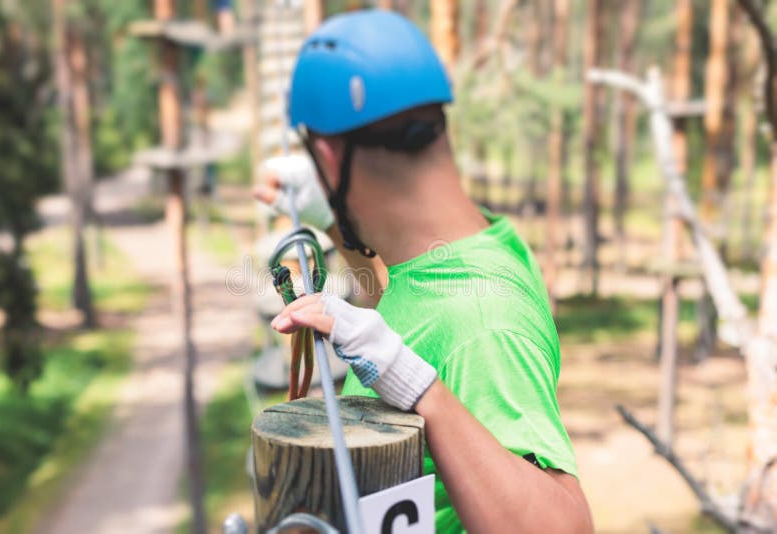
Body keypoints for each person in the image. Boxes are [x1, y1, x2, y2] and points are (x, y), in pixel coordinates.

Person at [254, 9, 593, 534]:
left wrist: (419, 390)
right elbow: (410, 307)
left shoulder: (484, 321)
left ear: (326, 153)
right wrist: (333, 216)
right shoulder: (467, 254)